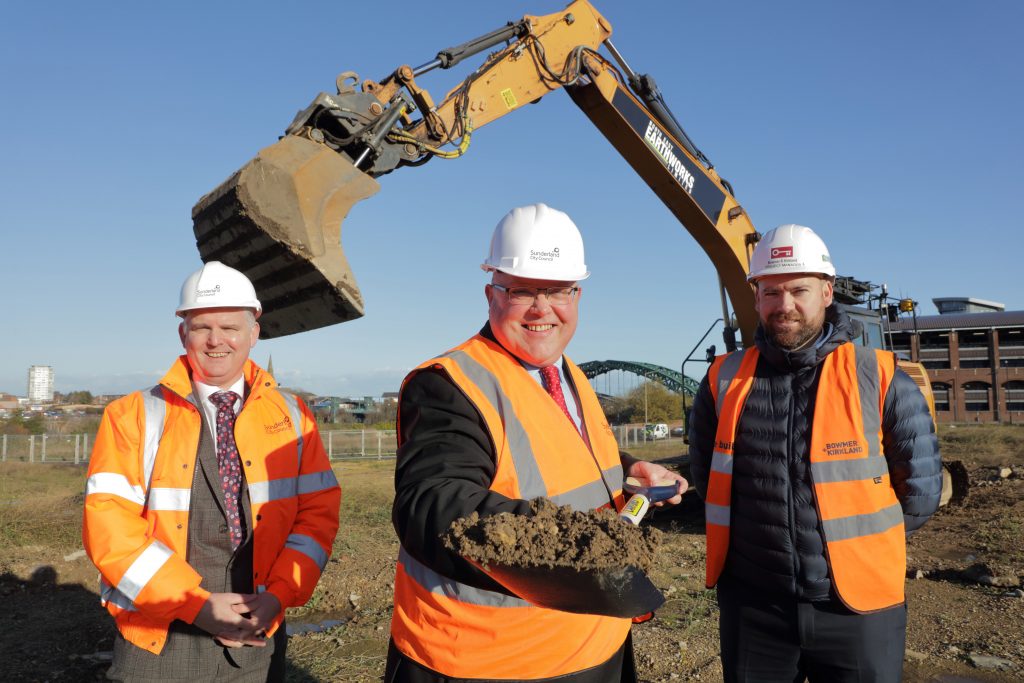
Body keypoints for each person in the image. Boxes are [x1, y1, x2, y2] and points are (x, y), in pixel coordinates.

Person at [384, 203, 687, 683]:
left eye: (559, 290)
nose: (542, 308)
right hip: (495, 662)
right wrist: (590, 541)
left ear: (577, 295)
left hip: (595, 639)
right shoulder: (451, 385)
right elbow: (434, 506)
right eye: (522, 290)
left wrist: (630, 468)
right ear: (491, 295)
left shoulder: (569, 376)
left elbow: (560, 452)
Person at [688, 224, 942, 682]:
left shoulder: (880, 377)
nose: (784, 305)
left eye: (799, 290)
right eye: (771, 292)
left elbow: (920, 495)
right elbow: (709, 481)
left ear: (826, 292)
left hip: (858, 611)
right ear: (755, 296)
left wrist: (853, 550)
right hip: (755, 608)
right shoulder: (723, 380)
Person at [83, 261, 341, 682]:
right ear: (182, 333)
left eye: (230, 327)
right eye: (202, 327)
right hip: (158, 640)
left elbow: (317, 515)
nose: (216, 340)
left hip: (258, 634)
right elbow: (110, 529)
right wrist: (196, 604)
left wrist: (278, 596)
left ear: (254, 333)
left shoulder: (294, 416)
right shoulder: (132, 416)